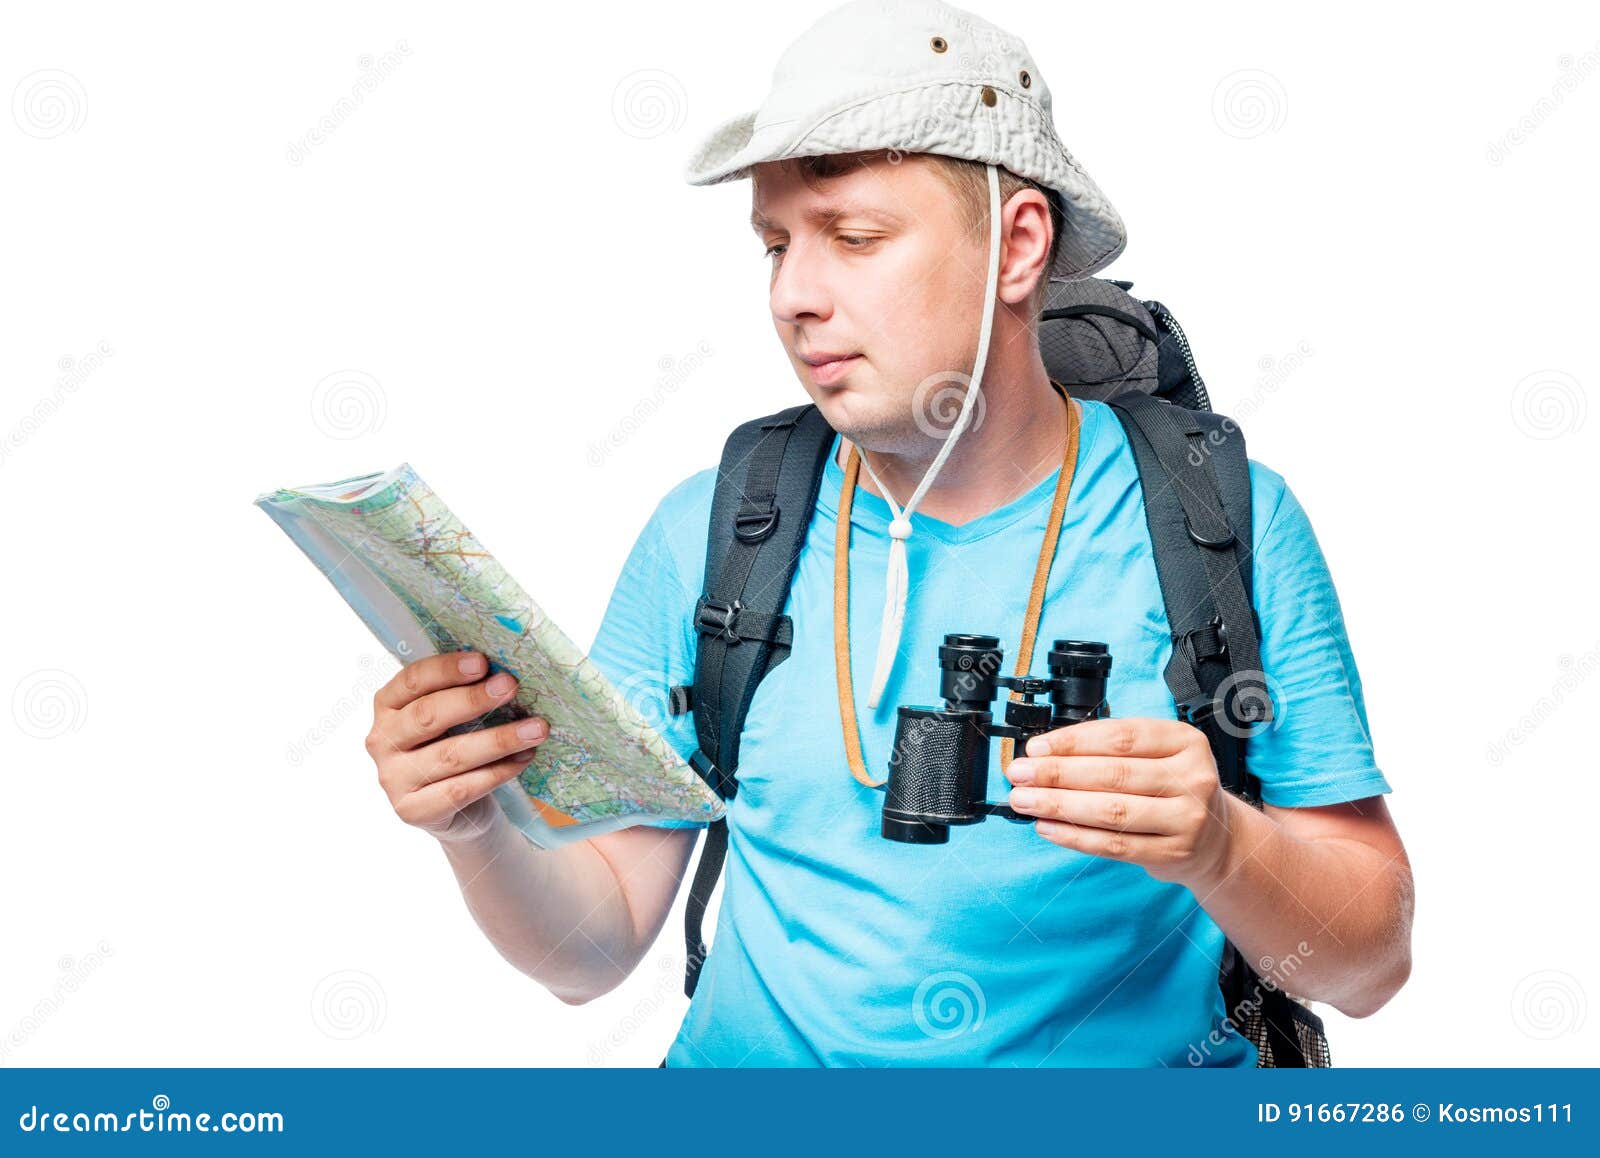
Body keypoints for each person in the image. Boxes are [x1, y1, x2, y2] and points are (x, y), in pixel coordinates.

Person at [362, 0, 1413, 1066]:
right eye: (775, 245)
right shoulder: (714, 532)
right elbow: (591, 951)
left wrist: (1223, 846)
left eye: (853, 238)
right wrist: (475, 825)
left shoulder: (1219, 520)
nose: (792, 294)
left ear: (1017, 246)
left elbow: (1369, 968)